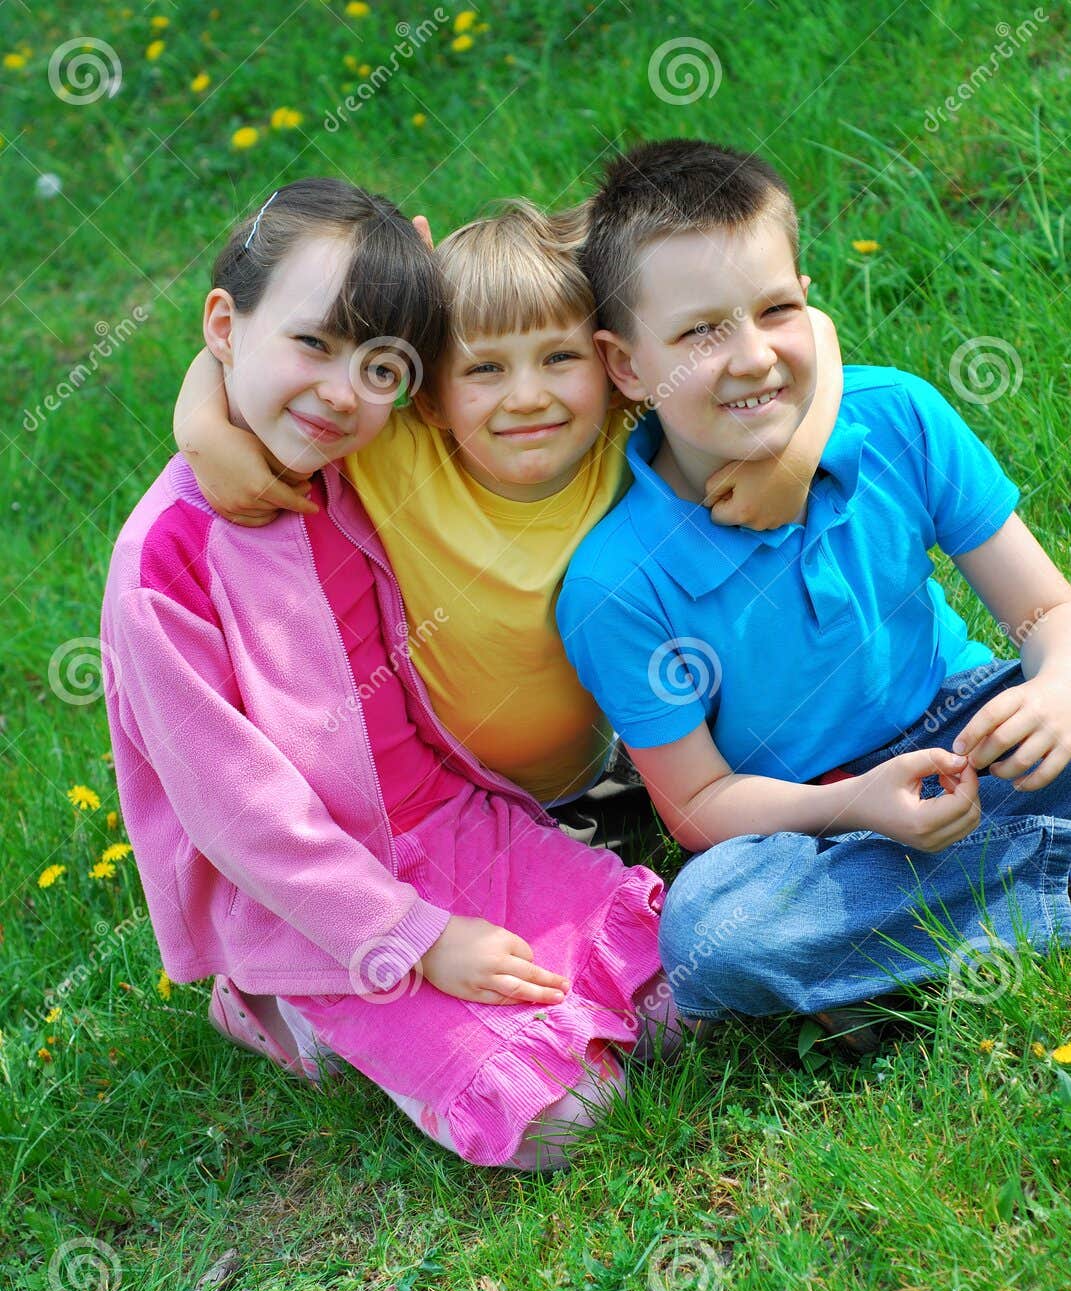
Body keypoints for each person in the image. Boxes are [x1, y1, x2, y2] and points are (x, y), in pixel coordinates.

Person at [100, 177, 675, 1173]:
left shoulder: (353, 464)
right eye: (313, 345)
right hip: (315, 900)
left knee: (681, 990)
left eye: (376, 366)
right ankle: (281, 1002)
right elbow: (239, 816)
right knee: (565, 1117)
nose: (340, 393)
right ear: (223, 327)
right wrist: (415, 937)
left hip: (451, 818)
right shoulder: (166, 560)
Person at [557, 139, 1071, 1037]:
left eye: (774, 310)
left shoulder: (897, 417)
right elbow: (700, 808)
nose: (752, 357)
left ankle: (890, 961)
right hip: (810, 827)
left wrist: (1057, 685)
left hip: (972, 738)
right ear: (626, 365)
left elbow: (1047, 612)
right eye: (700, 332)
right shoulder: (615, 585)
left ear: (808, 299)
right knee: (714, 935)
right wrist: (853, 805)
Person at [173, 200, 845, 812]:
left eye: (559, 357)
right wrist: (201, 427)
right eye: (485, 369)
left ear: (614, 371)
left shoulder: (623, 431)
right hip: (449, 795)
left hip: (615, 766)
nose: (527, 398)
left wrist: (794, 458)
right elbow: (245, 349)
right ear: (429, 397)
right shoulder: (395, 450)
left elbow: (811, 323)